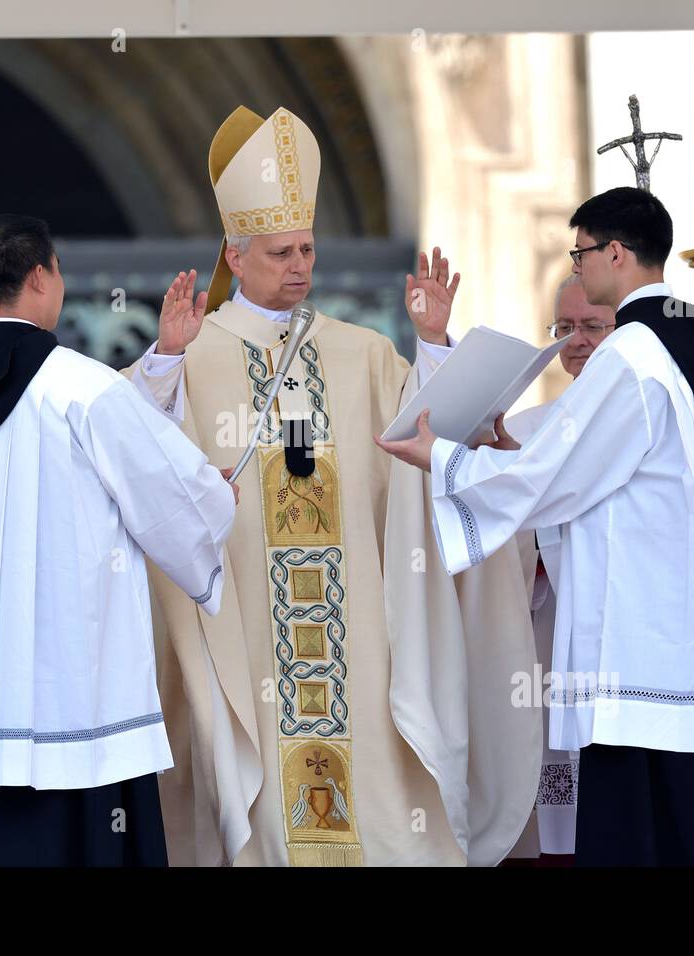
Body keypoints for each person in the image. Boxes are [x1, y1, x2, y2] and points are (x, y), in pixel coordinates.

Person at [126, 105, 539, 866]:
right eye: (280, 252)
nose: (300, 267)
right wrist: (161, 364)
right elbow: (132, 455)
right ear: (235, 254)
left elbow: (428, 446)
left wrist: (436, 347)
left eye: (308, 249)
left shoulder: (363, 354)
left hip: (358, 641)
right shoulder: (195, 355)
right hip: (252, 630)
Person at [377, 187, 694, 866]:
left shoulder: (631, 357)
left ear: (616, 253)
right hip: (692, 646)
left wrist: (440, 459)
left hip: (636, 659)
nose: (578, 268)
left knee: (642, 834)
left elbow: (547, 478)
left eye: (582, 253)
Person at [0, 214, 237, 866]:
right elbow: (161, 487)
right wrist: (213, 495)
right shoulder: (81, 386)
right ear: (40, 276)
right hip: (80, 709)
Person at [503, 275, 694, 859]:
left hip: (648, 653)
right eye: (564, 328)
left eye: (592, 326)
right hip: (556, 650)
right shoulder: (528, 430)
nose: (576, 342)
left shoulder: (672, 401)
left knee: (660, 817)